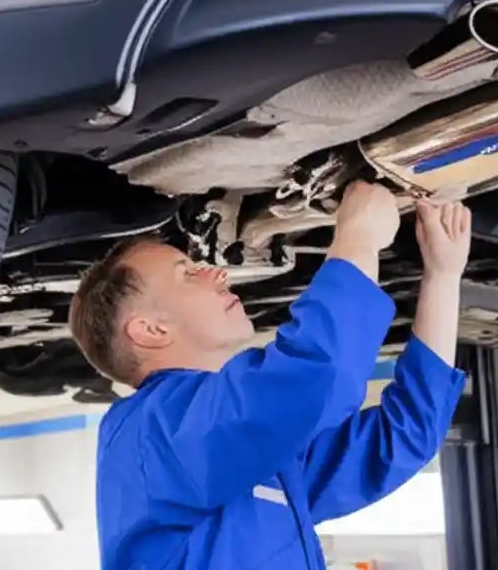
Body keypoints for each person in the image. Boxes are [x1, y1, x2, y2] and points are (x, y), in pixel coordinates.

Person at [68, 180, 471, 569]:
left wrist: (442, 275)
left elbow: (401, 439)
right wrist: (357, 236)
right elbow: (314, 379)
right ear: (151, 330)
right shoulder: (148, 435)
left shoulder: (233, 453)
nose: (218, 272)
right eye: (188, 273)